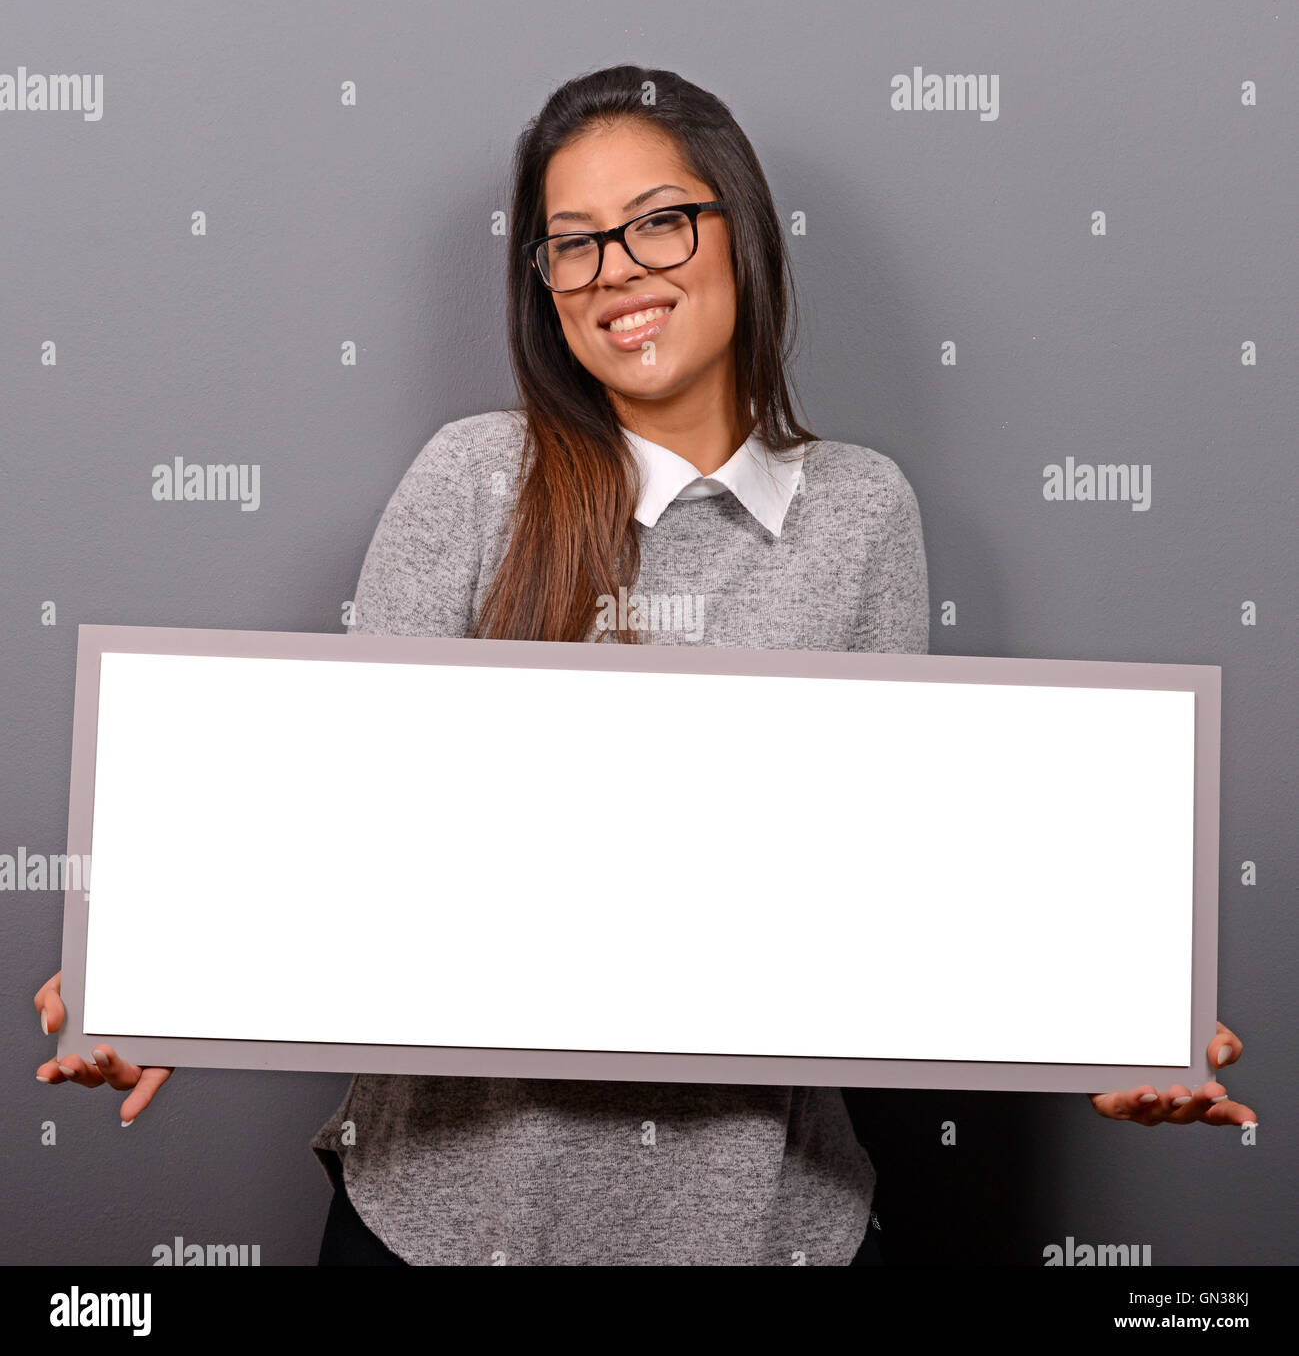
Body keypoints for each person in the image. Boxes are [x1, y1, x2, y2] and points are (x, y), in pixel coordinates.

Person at [33, 65, 1257, 1266]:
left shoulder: (861, 509)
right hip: (450, 1224)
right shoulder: (473, 478)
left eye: (658, 223)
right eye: (574, 243)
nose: (617, 270)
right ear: (546, 283)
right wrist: (151, 981)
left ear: (742, 234)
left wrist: (1113, 1018)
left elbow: (891, 869)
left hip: (764, 1226)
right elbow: (340, 822)